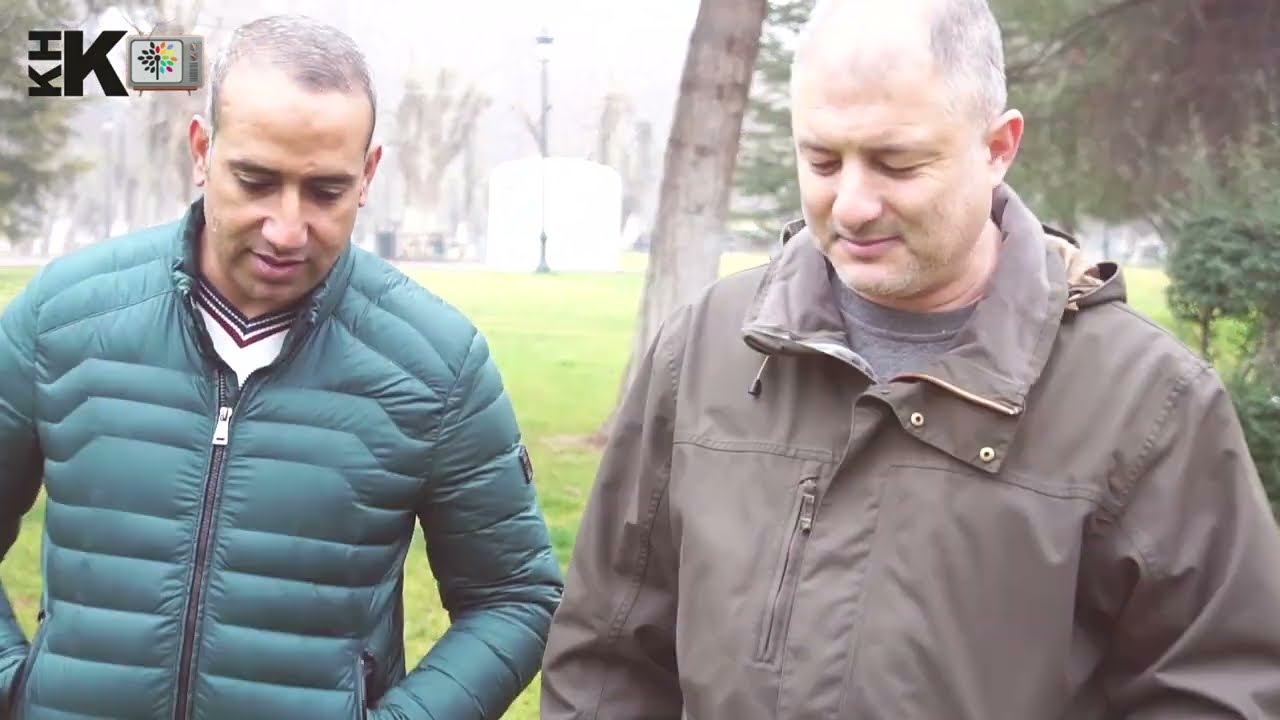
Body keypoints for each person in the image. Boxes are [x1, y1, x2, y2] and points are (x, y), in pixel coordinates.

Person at [539, 0, 1280, 717]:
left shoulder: (1148, 402)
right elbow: (607, 655)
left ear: (998, 147)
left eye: (896, 163)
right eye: (821, 160)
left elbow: (1220, 687)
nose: (852, 205)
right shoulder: (705, 347)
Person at [0, 15, 562, 720]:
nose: (287, 229)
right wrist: (15, 689)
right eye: (256, 181)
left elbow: (514, 597)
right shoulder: (62, 316)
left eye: (326, 191)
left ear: (368, 174)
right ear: (202, 152)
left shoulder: (437, 364)